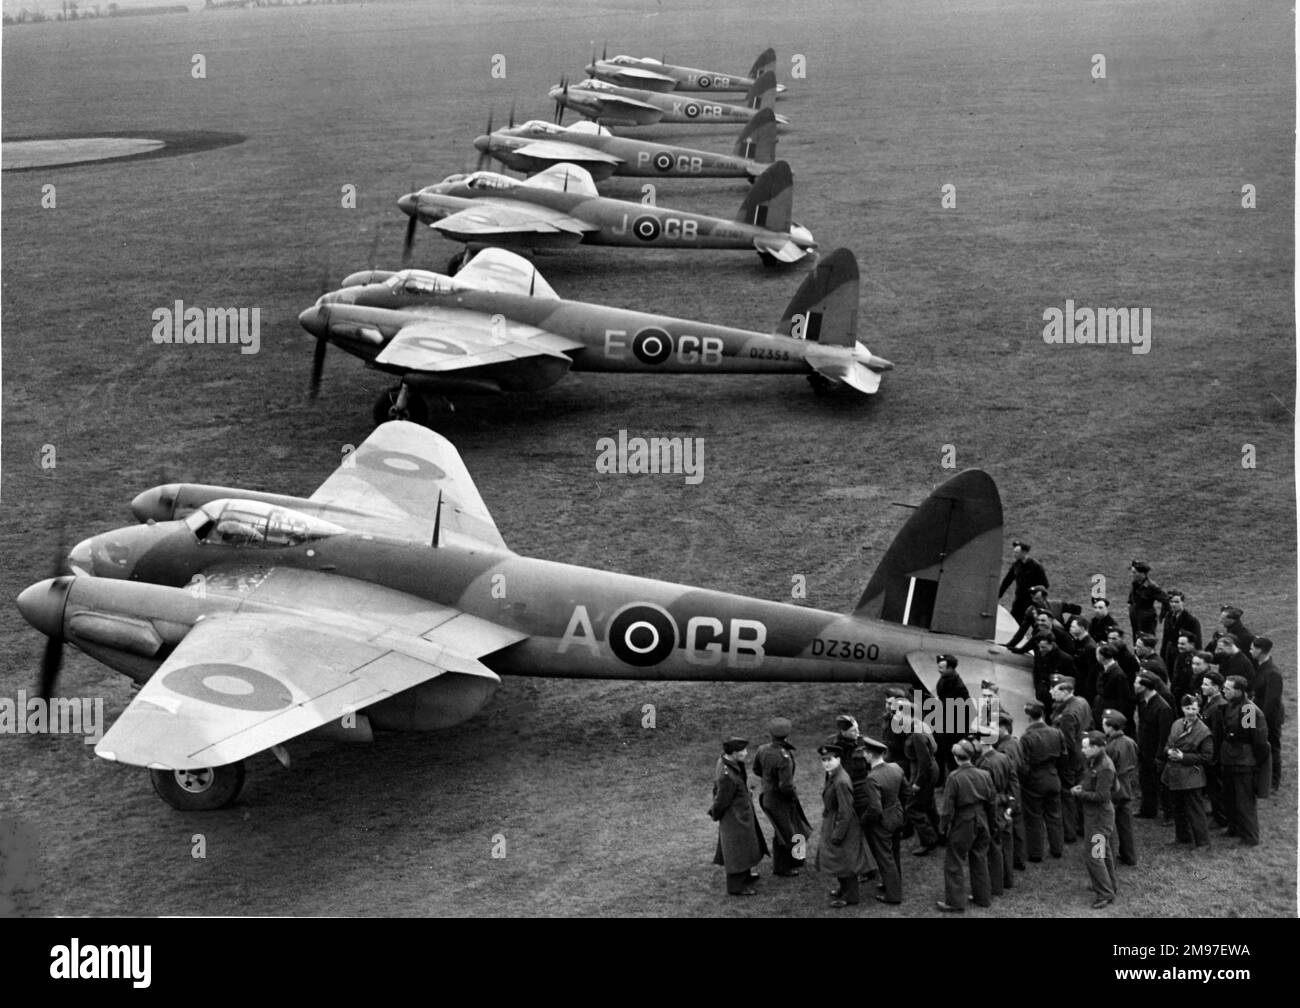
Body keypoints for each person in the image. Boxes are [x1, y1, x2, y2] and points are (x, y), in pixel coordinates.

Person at [936, 739, 995, 911]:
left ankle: (955, 902)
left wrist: (943, 827)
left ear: (955, 758)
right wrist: (991, 823)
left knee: (954, 860)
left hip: (964, 821)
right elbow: (992, 802)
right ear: (971, 756)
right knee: (979, 858)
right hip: (982, 818)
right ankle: (983, 897)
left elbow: (947, 809)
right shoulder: (984, 775)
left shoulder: (954, 777)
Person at [752, 717, 813, 877]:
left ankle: (797, 857)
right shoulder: (783, 757)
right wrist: (792, 795)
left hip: (768, 796)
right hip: (782, 799)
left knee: (792, 828)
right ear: (787, 736)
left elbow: (756, 770)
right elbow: (785, 786)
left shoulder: (762, 749)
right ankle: (782, 866)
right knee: (784, 832)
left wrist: (768, 780)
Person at [815, 739, 872, 908]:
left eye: (830, 759)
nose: (826, 763)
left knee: (846, 861)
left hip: (843, 824)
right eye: (823, 760)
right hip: (835, 820)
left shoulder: (841, 780)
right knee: (840, 860)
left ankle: (850, 896)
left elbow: (845, 810)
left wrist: (838, 834)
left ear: (839, 759)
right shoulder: (834, 775)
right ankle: (843, 889)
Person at [709, 737, 768, 896]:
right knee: (736, 851)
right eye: (742, 751)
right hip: (735, 817)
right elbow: (722, 799)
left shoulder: (728, 763)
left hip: (741, 813)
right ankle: (736, 887)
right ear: (734, 753)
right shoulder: (727, 774)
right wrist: (715, 813)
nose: (746, 753)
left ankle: (746, 876)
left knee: (745, 846)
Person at [1219, 676, 1269, 847]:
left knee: (1244, 800)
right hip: (1231, 759)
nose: (1223, 691)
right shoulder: (1232, 705)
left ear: (1239, 691)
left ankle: (1250, 837)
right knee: (1230, 797)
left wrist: (1254, 761)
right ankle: (1234, 828)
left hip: (1243, 762)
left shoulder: (1247, 709)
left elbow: (1255, 740)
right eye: (1224, 688)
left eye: (1228, 689)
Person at [1072, 731, 1118, 909]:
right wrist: (1082, 787)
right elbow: (1094, 785)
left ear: (1096, 747)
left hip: (1099, 819)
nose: (1082, 750)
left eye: (1085, 747)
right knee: (1102, 853)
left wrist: (1080, 793)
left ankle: (1104, 893)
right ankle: (1109, 885)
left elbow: (1102, 796)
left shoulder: (1105, 767)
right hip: (1095, 817)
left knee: (1094, 856)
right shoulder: (1095, 761)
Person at [1162, 694, 1213, 850]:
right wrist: (1169, 751)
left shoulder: (1203, 731)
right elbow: (1168, 744)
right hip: (1175, 773)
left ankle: (1203, 842)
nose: (1190, 711)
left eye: (1193, 708)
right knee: (1178, 808)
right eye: (1187, 708)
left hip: (1192, 775)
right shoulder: (1176, 724)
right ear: (1182, 708)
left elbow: (1207, 756)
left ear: (1198, 709)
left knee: (1195, 810)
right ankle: (1182, 837)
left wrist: (1183, 756)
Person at [1018, 701, 1066, 861]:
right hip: (1053, 776)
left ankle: (1036, 852)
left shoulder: (1027, 738)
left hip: (1035, 780)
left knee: (1034, 817)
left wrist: (1025, 780)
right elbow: (1064, 756)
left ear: (1028, 717)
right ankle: (1057, 848)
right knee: (1054, 814)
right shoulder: (1056, 732)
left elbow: (1023, 764)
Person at [860, 736, 905, 904]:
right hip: (897, 815)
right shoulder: (896, 767)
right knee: (894, 853)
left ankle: (893, 895)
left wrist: (864, 821)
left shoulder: (872, 778)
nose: (864, 755)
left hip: (882, 822)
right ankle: (893, 883)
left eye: (865, 752)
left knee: (885, 858)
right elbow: (906, 792)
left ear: (870, 755)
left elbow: (875, 808)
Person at [974, 726, 1016, 896]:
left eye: (976, 740)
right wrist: (1011, 804)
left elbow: (986, 792)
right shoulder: (1003, 757)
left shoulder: (985, 764)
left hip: (993, 807)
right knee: (1006, 844)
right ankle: (1007, 879)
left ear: (983, 742)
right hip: (1005, 803)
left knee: (993, 847)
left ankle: (996, 885)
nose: (974, 743)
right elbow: (1013, 781)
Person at [895, 701, 941, 856]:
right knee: (929, 805)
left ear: (908, 715)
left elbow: (924, 761)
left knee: (912, 807)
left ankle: (929, 841)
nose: (896, 716)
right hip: (930, 770)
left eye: (898, 713)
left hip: (923, 772)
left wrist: (917, 783)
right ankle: (941, 834)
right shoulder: (920, 726)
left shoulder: (916, 734)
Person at [1050, 677, 1091, 843]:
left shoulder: (1067, 714)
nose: (1051, 692)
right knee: (1080, 792)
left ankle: (1069, 831)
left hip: (1071, 759)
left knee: (1068, 795)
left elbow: (1066, 743)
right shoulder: (1082, 702)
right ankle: (1082, 825)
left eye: (1055, 689)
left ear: (1066, 692)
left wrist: (1062, 764)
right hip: (1082, 753)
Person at [1133, 671, 1173, 819]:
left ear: (1144, 686)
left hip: (1155, 753)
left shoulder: (1162, 707)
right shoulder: (1144, 701)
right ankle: (1148, 810)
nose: (1134, 685)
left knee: (1162, 784)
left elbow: (1164, 735)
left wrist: (1160, 756)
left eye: (1137, 682)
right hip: (1144, 750)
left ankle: (1169, 814)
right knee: (1145, 781)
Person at [1101, 711, 1139, 865]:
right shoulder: (1130, 742)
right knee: (1125, 825)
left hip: (1112, 788)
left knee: (1103, 825)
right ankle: (1129, 856)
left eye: (1104, 724)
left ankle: (1103, 859)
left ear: (1110, 727)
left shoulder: (1110, 747)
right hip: (1126, 787)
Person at [1249, 637, 1284, 795]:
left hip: (1269, 718)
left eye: (1252, 648)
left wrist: (1259, 720)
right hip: (1258, 713)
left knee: (1272, 747)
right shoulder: (1261, 666)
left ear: (1260, 651)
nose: (1250, 651)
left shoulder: (1272, 673)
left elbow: (1272, 701)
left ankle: (1274, 781)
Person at [995, 711, 1028, 871]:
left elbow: (1007, 771)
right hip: (1016, 787)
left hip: (1009, 789)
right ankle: (1019, 859)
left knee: (1011, 824)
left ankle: (1015, 859)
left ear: (1002, 728)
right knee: (1018, 824)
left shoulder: (1004, 749)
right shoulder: (1014, 742)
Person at [1198, 667, 1228, 827]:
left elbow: (1216, 734)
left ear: (1216, 687)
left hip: (1213, 756)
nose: (1202, 686)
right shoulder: (1210, 703)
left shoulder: (1218, 707)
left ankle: (1221, 818)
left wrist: (1213, 757)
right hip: (1209, 752)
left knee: (1216, 788)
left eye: (1206, 684)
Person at [934, 655, 971, 783]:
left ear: (951, 668)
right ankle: (941, 780)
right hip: (945, 722)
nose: (939, 670)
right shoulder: (945, 678)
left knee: (952, 757)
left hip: (955, 726)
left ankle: (956, 782)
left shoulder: (957, 686)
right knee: (940, 752)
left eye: (942, 668)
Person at [999, 538, 1048, 624]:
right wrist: (999, 595)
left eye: (1016, 552)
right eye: (1014, 552)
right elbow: (1007, 581)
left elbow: (1045, 584)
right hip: (1019, 601)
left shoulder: (1036, 566)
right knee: (1013, 623)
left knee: (1036, 624)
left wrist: (1037, 593)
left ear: (1024, 552)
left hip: (1032, 602)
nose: (1014, 554)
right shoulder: (1016, 565)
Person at [1093, 645, 1135, 735]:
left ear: (1102, 657)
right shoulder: (1106, 670)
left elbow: (1123, 699)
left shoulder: (1118, 675)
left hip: (1111, 715)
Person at [1159, 590, 1202, 672]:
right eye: (1171, 602)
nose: (1173, 604)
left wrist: (1196, 658)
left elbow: (1197, 643)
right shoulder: (1168, 616)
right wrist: (1162, 656)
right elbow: (1165, 638)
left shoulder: (1191, 620)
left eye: (1177, 602)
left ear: (1182, 602)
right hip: (1170, 652)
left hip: (1183, 653)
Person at [1127, 561, 1167, 638]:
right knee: (1136, 640)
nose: (1132, 575)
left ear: (1142, 573)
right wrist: (1130, 606)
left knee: (1147, 640)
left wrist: (1162, 614)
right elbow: (1131, 597)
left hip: (1147, 618)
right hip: (1135, 616)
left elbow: (1165, 599)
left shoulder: (1151, 586)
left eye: (1134, 572)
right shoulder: (1135, 583)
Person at [1068, 618, 1100, 706]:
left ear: (1082, 628)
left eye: (1073, 627)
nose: (1070, 628)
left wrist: (1086, 691)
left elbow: (1092, 671)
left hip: (1084, 687)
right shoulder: (1080, 642)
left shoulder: (1090, 647)